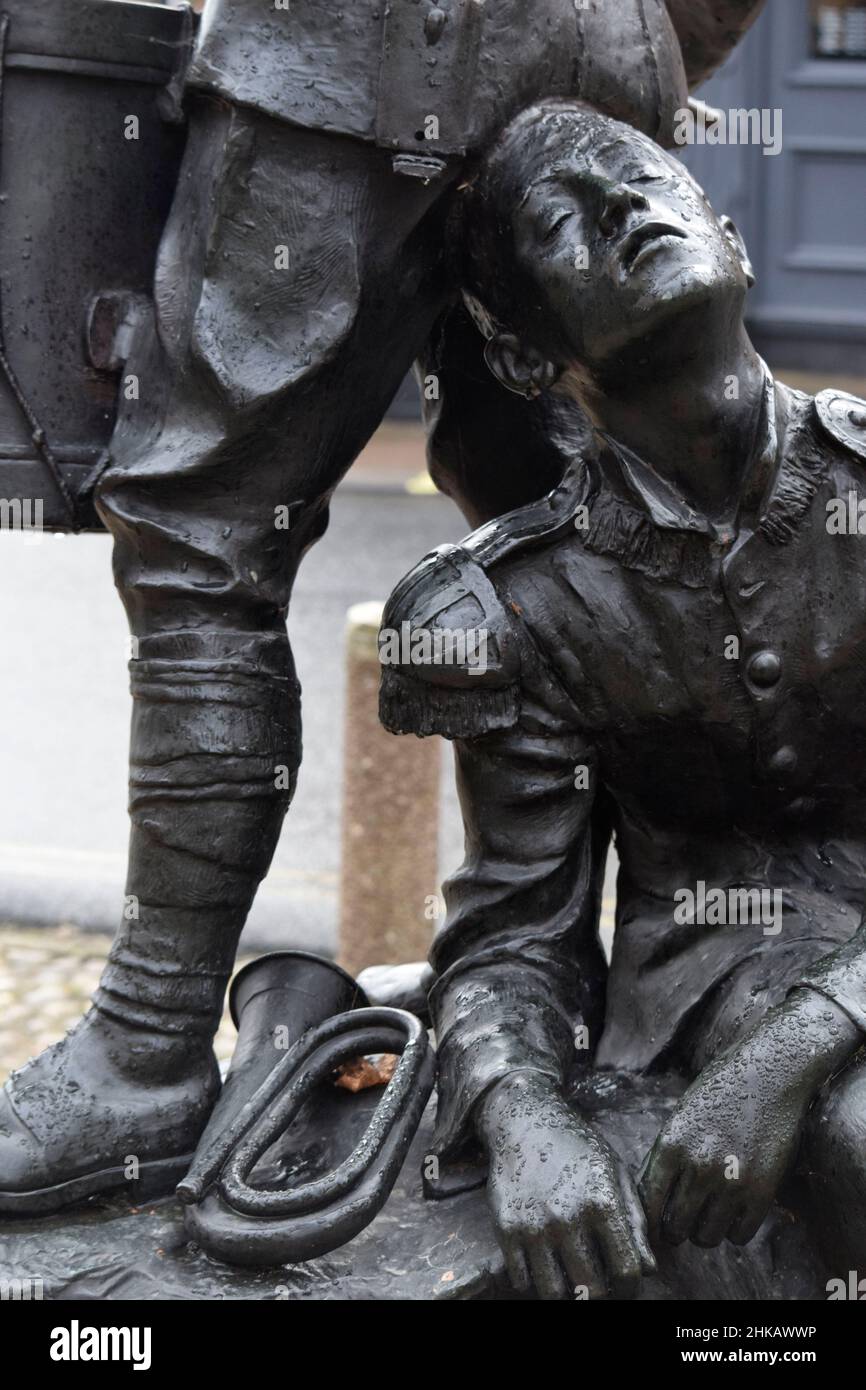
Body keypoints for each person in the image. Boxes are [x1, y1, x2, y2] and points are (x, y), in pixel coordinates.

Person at [0, 0, 766, 1213]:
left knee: (206, 528)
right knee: (569, 520)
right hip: (602, 57)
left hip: (354, 47)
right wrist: (647, 45)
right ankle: (619, 983)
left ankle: (146, 1051)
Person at [379, 100, 866, 1300]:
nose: (628, 210)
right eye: (570, 221)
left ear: (732, 245)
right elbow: (512, 930)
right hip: (711, 975)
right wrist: (523, 1111)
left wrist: (807, 1039)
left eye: (648, 186)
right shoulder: (510, 606)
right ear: (521, 356)